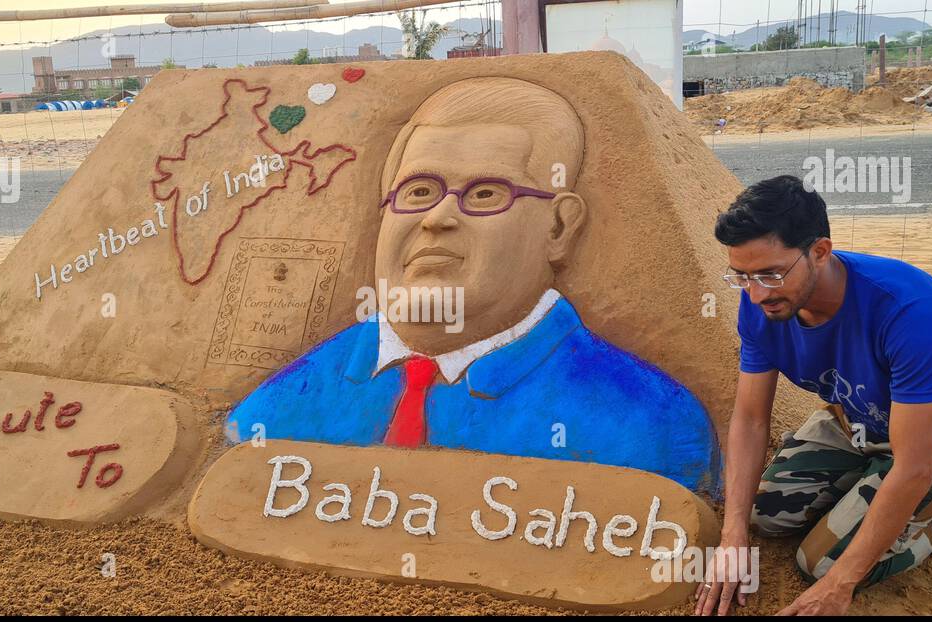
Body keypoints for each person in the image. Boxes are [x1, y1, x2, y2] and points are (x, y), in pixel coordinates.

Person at [226, 77, 718, 489]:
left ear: (559, 228)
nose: (437, 218)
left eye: (485, 193)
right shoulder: (276, 411)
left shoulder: (651, 429)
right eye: (418, 191)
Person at [697, 175, 932, 616]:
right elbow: (750, 419)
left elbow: (912, 467)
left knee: (821, 564)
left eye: (771, 274)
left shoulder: (908, 308)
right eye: (741, 277)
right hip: (857, 418)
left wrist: (839, 586)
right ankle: (863, 492)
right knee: (764, 517)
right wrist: (732, 536)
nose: (757, 294)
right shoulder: (763, 301)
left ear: (820, 252)